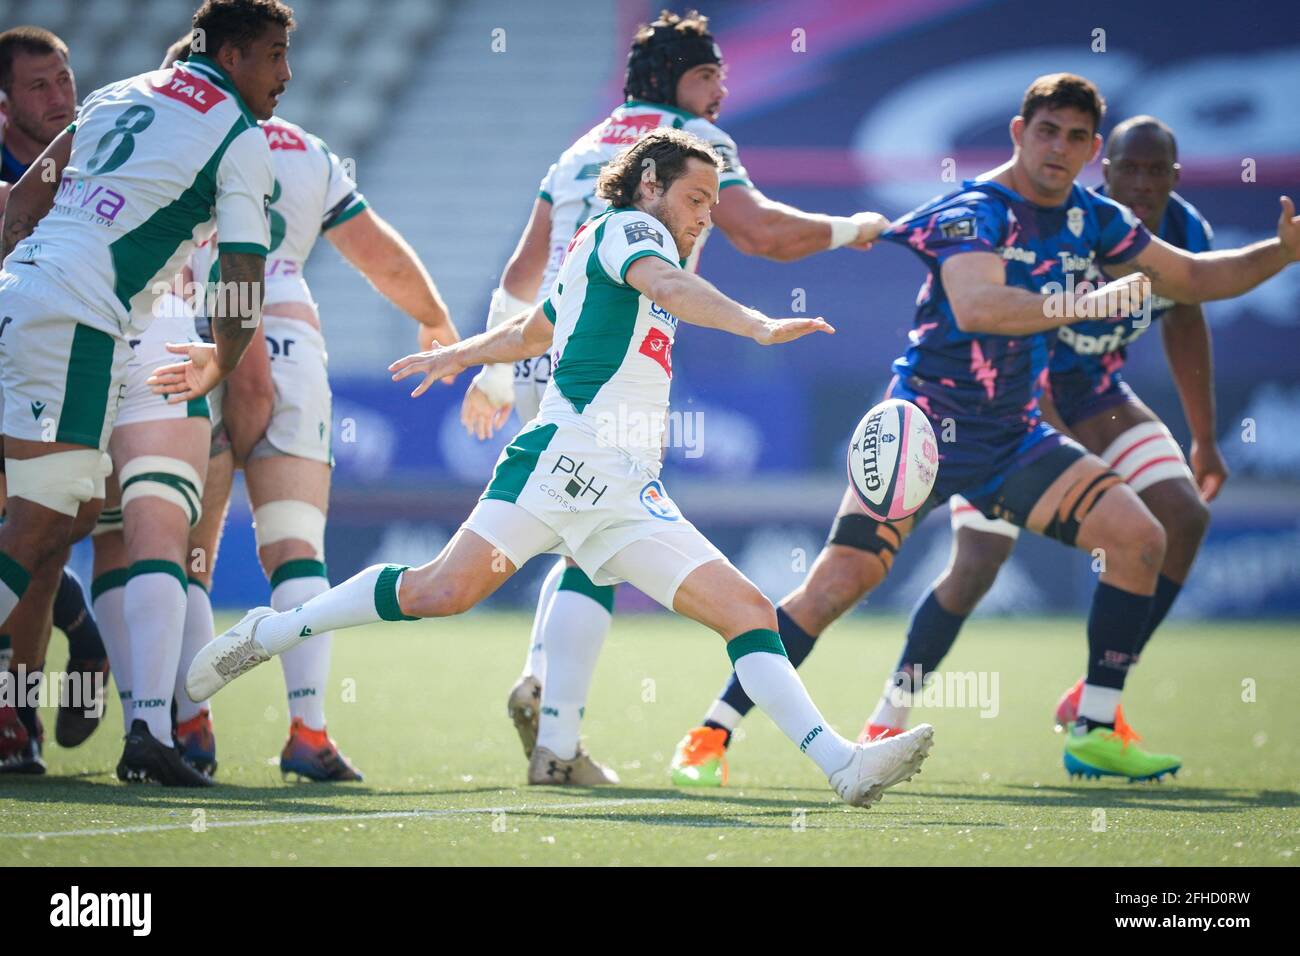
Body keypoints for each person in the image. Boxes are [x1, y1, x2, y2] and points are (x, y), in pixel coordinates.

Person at [177, 128, 935, 808]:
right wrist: (758, 324)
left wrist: (461, 353)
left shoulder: (598, 247)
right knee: (440, 592)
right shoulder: (634, 231)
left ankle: (843, 767)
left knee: (748, 613)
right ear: (649, 185)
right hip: (565, 462)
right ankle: (274, 630)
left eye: (712, 202)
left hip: (627, 492)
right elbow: (669, 288)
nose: (706, 215)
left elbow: (536, 329)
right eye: (696, 198)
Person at [671, 73, 1300, 786]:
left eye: (1074, 137)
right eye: (1046, 131)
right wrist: (1083, 303)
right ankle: (712, 733)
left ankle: (1095, 726)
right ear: (1018, 133)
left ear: (1091, 148)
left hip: (1012, 436)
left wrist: (1280, 252)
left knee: (1141, 537)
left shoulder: (1094, 217)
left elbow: (1191, 279)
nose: (1058, 148)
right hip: (922, 433)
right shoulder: (974, 211)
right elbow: (977, 307)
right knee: (836, 587)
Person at [460, 9, 886, 777]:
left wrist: (493, 373)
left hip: (539, 351)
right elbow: (765, 234)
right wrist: (854, 228)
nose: (720, 92)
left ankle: (546, 701)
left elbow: (522, 271)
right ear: (668, 80)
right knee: (596, 552)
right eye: (707, 76)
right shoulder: (690, 145)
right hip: (606, 362)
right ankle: (555, 731)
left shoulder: (580, 147)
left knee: (584, 541)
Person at [860, 115, 1227, 743]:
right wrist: (1063, 462)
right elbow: (1015, 330)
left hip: (1102, 397)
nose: (1142, 183)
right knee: (977, 564)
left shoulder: (1184, 233)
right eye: (1129, 169)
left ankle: (1096, 697)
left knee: (1183, 516)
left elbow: (1186, 320)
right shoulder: (1076, 227)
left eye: (1155, 170)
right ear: (1104, 170)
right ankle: (888, 716)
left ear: (1175, 175)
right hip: (1015, 406)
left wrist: (1205, 438)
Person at [0, 0, 293, 783]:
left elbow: (24, 201)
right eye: (273, 55)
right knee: (43, 529)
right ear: (231, 56)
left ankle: (130, 726)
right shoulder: (239, 137)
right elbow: (241, 277)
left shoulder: (116, 93)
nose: (286, 75)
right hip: (81, 322)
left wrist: (24, 289)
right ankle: (151, 728)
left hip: (23, 296)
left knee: (54, 527)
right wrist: (220, 361)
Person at [153, 34, 459, 781]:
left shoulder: (170, 127)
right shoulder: (307, 150)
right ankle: (308, 732)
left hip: (188, 334)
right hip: (290, 334)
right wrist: (433, 318)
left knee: (188, 554)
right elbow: (376, 252)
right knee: (296, 549)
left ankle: (188, 725)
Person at [0, 26, 111, 772]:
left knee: (52, 531)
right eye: (37, 86)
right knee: (30, 531)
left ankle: (19, 712)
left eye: (64, 80)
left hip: (63, 359)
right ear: (4, 103)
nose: (59, 97)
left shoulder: (94, 155)